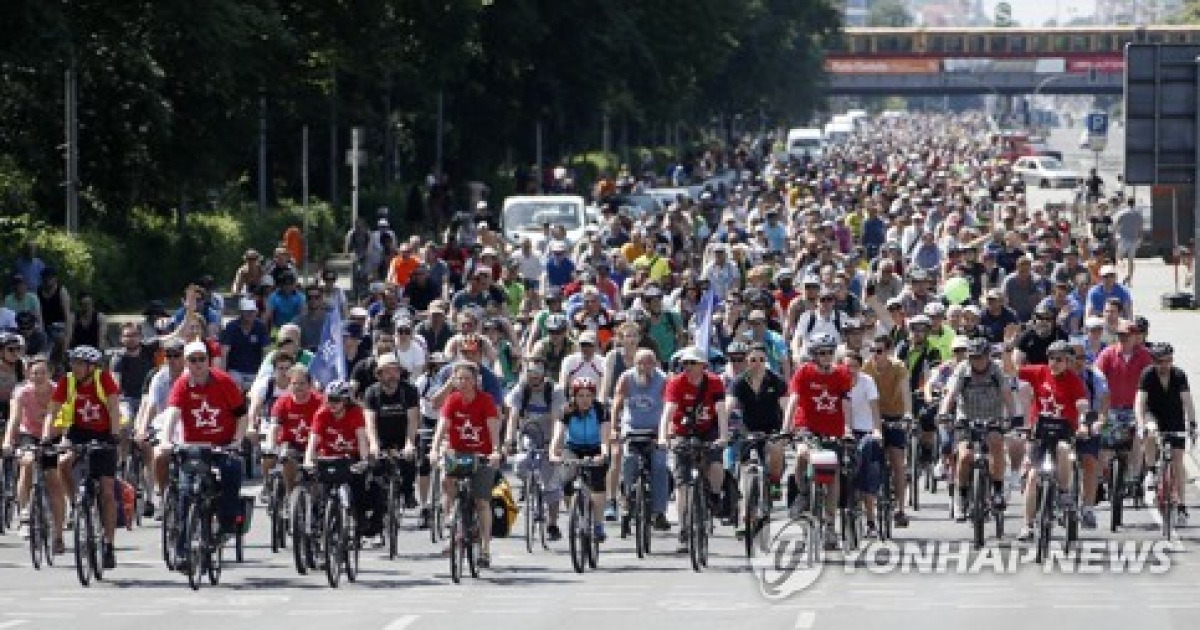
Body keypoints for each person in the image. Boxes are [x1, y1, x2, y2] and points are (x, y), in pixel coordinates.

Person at [162, 341, 249, 572]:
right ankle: (181, 551)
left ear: (209, 361)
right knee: (184, 492)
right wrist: (166, 440)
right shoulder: (182, 384)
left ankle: (227, 519)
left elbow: (242, 415)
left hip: (223, 444)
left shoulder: (224, 382)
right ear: (186, 363)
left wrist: (237, 441)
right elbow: (172, 412)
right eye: (193, 360)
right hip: (193, 445)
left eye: (202, 359)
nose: (198, 364)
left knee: (231, 471)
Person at [44, 345, 121, 569]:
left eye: (79, 363)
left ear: (91, 367)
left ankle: (108, 544)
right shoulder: (67, 381)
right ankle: (75, 503)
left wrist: (114, 435)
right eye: (73, 363)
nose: (75, 367)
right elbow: (53, 410)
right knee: (63, 462)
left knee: (107, 489)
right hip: (78, 431)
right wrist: (48, 437)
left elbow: (114, 407)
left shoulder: (103, 379)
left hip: (104, 433)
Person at [1010, 340, 1090, 542]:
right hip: (1041, 429)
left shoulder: (1074, 380)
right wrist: (1009, 349)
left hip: (1064, 429)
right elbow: (1013, 371)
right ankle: (1027, 525)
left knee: (1064, 449)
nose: (1055, 362)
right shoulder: (1039, 372)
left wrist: (1082, 425)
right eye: (1052, 358)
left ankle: (1064, 492)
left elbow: (1082, 406)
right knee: (1032, 477)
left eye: (1060, 359)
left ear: (1068, 361)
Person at [785, 332, 853, 550]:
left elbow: (845, 403)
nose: (826, 357)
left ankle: (830, 525)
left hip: (833, 429)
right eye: (822, 353)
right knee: (802, 453)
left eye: (830, 353)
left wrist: (848, 429)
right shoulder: (803, 372)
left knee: (832, 473)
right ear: (814, 355)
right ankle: (803, 493)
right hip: (807, 426)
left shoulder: (842, 374)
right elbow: (794, 400)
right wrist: (786, 429)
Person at [431, 361, 503, 567]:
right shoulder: (452, 400)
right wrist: (434, 450)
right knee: (447, 479)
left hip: (482, 453)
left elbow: (493, 428)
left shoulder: (486, 400)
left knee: (482, 501)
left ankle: (486, 549)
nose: (463, 382)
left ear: (475, 381)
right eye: (459, 378)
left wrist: (496, 451)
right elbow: (442, 426)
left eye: (467, 379)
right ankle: (450, 525)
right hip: (459, 452)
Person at [658, 346, 728, 553]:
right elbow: (668, 411)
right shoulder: (676, 383)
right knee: (683, 484)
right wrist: (663, 436)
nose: (687, 367)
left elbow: (721, 411)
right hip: (683, 432)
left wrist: (723, 436)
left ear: (703, 366)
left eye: (692, 363)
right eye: (685, 364)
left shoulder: (714, 382)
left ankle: (714, 496)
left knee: (715, 465)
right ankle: (683, 529)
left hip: (709, 429)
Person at [939, 338, 1018, 522]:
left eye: (980, 357)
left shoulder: (996, 370)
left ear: (988, 356)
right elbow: (951, 394)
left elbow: (1007, 394)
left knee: (996, 444)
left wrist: (1013, 416)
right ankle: (961, 497)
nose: (977, 361)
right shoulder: (963, 370)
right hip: (967, 418)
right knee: (965, 455)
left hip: (992, 418)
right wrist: (944, 413)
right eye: (973, 357)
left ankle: (997, 490)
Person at [2, 356, 65, 552]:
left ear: (50, 374)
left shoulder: (57, 391)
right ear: (29, 374)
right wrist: (7, 442)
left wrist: (63, 441)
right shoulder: (22, 392)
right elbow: (14, 419)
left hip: (53, 435)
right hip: (28, 434)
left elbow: (65, 419)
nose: (38, 376)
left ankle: (58, 534)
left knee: (53, 479)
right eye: (35, 373)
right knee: (27, 462)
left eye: (42, 373)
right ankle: (25, 512)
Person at [725, 342, 789, 535]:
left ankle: (776, 482)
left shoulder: (775, 381)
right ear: (747, 361)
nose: (757, 364)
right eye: (753, 360)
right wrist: (725, 429)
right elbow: (729, 405)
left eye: (761, 360)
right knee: (745, 471)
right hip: (747, 430)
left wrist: (785, 430)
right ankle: (746, 518)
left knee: (776, 450)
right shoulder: (739, 382)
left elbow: (786, 406)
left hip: (772, 429)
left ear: (766, 361)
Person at [304, 380, 380, 537]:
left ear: (345, 400)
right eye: (329, 399)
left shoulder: (356, 412)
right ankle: (317, 523)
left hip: (350, 457)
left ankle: (360, 518)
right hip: (328, 457)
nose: (331, 404)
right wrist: (308, 460)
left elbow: (361, 439)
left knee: (359, 486)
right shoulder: (321, 413)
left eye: (336, 400)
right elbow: (313, 440)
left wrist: (364, 460)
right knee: (320, 491)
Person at [504, 360, 566, 540]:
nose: (532, 380)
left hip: (550, 436)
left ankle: (552, 524)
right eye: (529, 376)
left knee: (551, 485)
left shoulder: (554, 391)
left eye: (536, 376)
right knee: (521, 463)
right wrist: (508, 440)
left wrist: (554, 446)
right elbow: (513, 416)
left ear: (543, 376)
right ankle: (531, 487)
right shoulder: (521, 389)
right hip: (529, 434)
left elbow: (557, 420)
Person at [611, 348, 670, 534]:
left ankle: (659, 512)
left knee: (659, 466)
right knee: (629, 461)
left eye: (647, 363)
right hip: (633, 429)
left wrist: (667, 431)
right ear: (633, 364)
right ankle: (628, 498)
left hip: (655, 430)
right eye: (639, 363)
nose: (643, 367)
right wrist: (614, 428)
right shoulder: (626, 378)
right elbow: (617, 403)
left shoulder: (663, 380)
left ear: (654, 364)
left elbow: (669, 406)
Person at [1136, 342, 1196, 525]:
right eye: (1160, 361)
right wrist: (1140, 424)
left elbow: (1188, 401)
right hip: (1153, 415)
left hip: (1174, 417)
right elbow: (1139, 401)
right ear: (1154, 361)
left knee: (1178, 461)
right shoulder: (1147, 374)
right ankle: (1152, 470)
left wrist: (1192, 424)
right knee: (1151, 431)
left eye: (1168, 361)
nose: (1165, 365)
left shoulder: (1179, 375)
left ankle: (1182, 506)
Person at [549, 376, 612, 542]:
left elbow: (605, 438)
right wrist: (553, 453)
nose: (585, 400)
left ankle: (598, 524)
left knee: (598, 484)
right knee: (566, 480)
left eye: (588, 395)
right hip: (573, 448)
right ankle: (574, 515)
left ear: (593, 396)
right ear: (574, 396)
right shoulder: (566, 410)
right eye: (580, 396)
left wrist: (603, 454)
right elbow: (558, 434)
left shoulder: (600, 409)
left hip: (596, 448)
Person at [363, 354, 420, 527]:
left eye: (395, 370)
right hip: (381, 436)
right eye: (387, 371)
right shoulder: (372, 392)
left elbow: (413, 420)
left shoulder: (409, 391)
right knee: (373, 469)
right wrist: (373, 444)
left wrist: (409, 444)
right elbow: (370, 422)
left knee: (410, 458)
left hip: (403, 434)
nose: (392, 375)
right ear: (379, 375)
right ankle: (375, 508)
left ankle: (408, 491)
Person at [864, 334, 913, 527]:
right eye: (872, 351)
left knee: (897, 461)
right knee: (868, 458)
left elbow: (905, 391)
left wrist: (908, 414)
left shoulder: (899, 367)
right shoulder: (866, 367)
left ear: (889, 352)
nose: (875, 355)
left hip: (895, 415)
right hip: (873, 417)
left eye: (879, 351)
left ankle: (900, 509)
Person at [264, 364, 319, 498]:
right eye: (295, 383)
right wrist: (271, 445)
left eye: (302, 383)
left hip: (314, 445)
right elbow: (274, 425)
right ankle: (289, 495)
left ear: (310, 384)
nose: (298, 387)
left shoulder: (320, 401)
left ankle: (316, 499)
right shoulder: (282, 402)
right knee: (286, 457)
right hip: (290, 443)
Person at [220, 298, 270, 391]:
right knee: (235, 387)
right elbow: (224, 352)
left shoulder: (261, 327)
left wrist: (264, 372)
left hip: (255, 370)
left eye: (252, 311)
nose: (250, 314)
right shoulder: (231, 327)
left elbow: (266, 351)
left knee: (259, 390)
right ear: (241, 312)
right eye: (247, 311)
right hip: (235, 370)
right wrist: (222, 375)